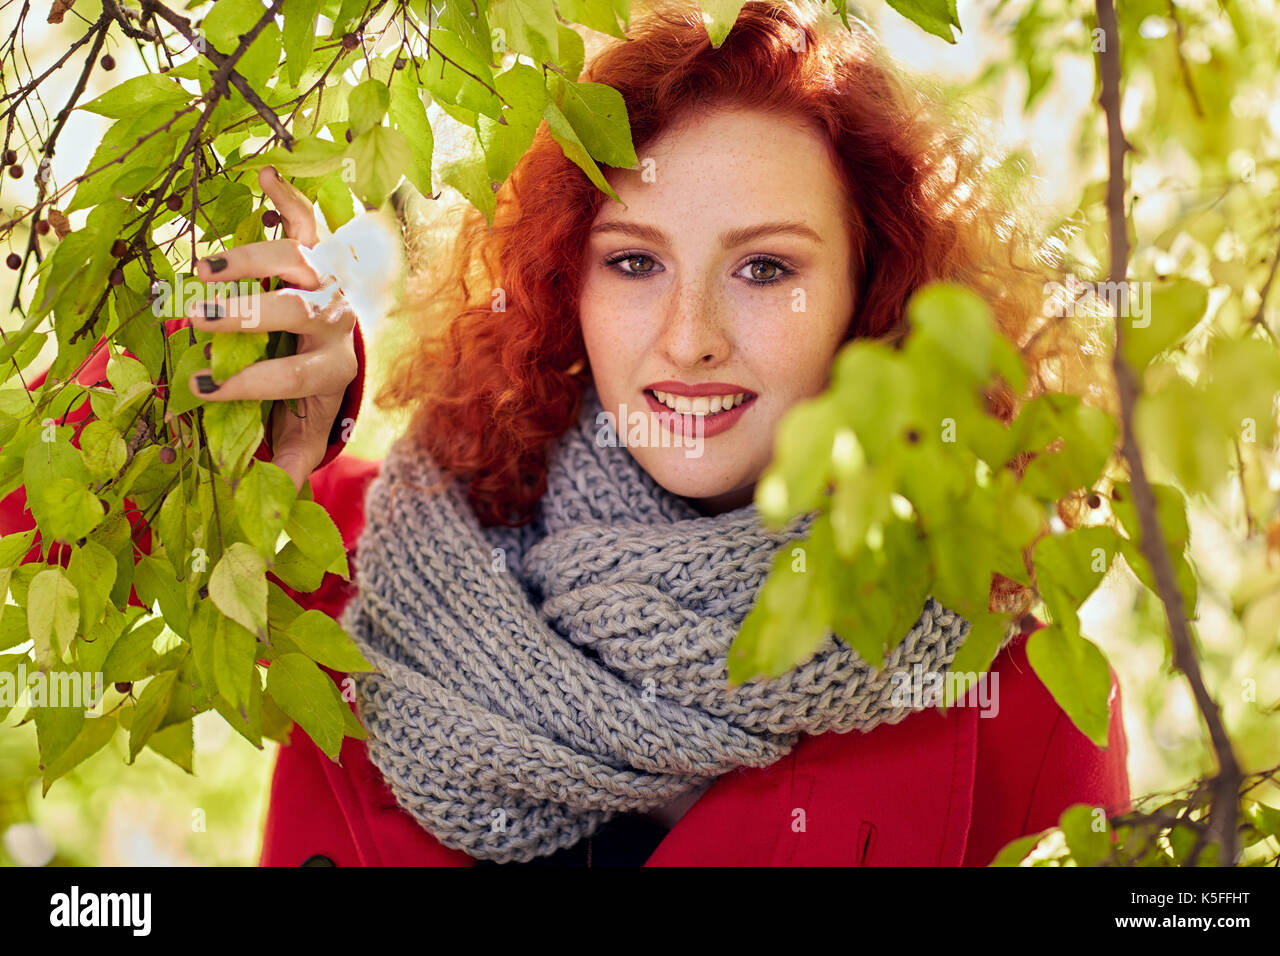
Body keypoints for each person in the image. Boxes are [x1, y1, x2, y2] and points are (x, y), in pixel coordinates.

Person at [3, 0, 1130, 867]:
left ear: (872, 294)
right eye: (633, 261)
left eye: (766, 267)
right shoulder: (354, 553)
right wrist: (245, 380)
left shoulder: (1010, 683)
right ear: (563, 284)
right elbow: (27, 527)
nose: (688, 337)